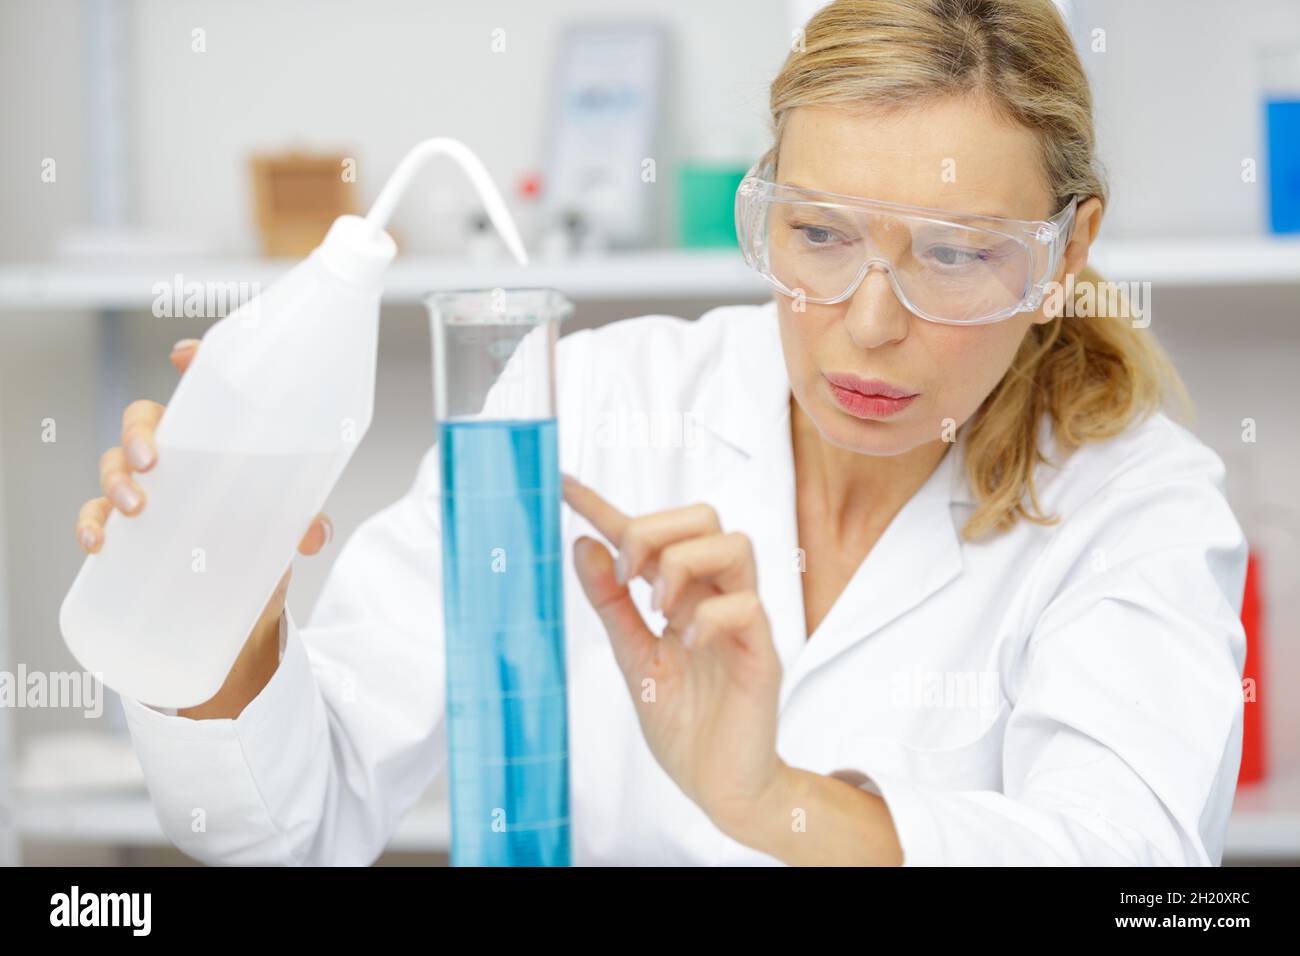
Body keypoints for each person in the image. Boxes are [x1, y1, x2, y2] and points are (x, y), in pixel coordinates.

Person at [73, 0, 1248, 866]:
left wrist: (769, 797)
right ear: (766, 201)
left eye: (952, 252)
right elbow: (282, 824)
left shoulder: (1134, 503)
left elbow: (1130, 866)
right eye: (821, 236)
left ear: (1066, 255)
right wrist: (222, 590)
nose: (869, 325)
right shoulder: (582, 405)